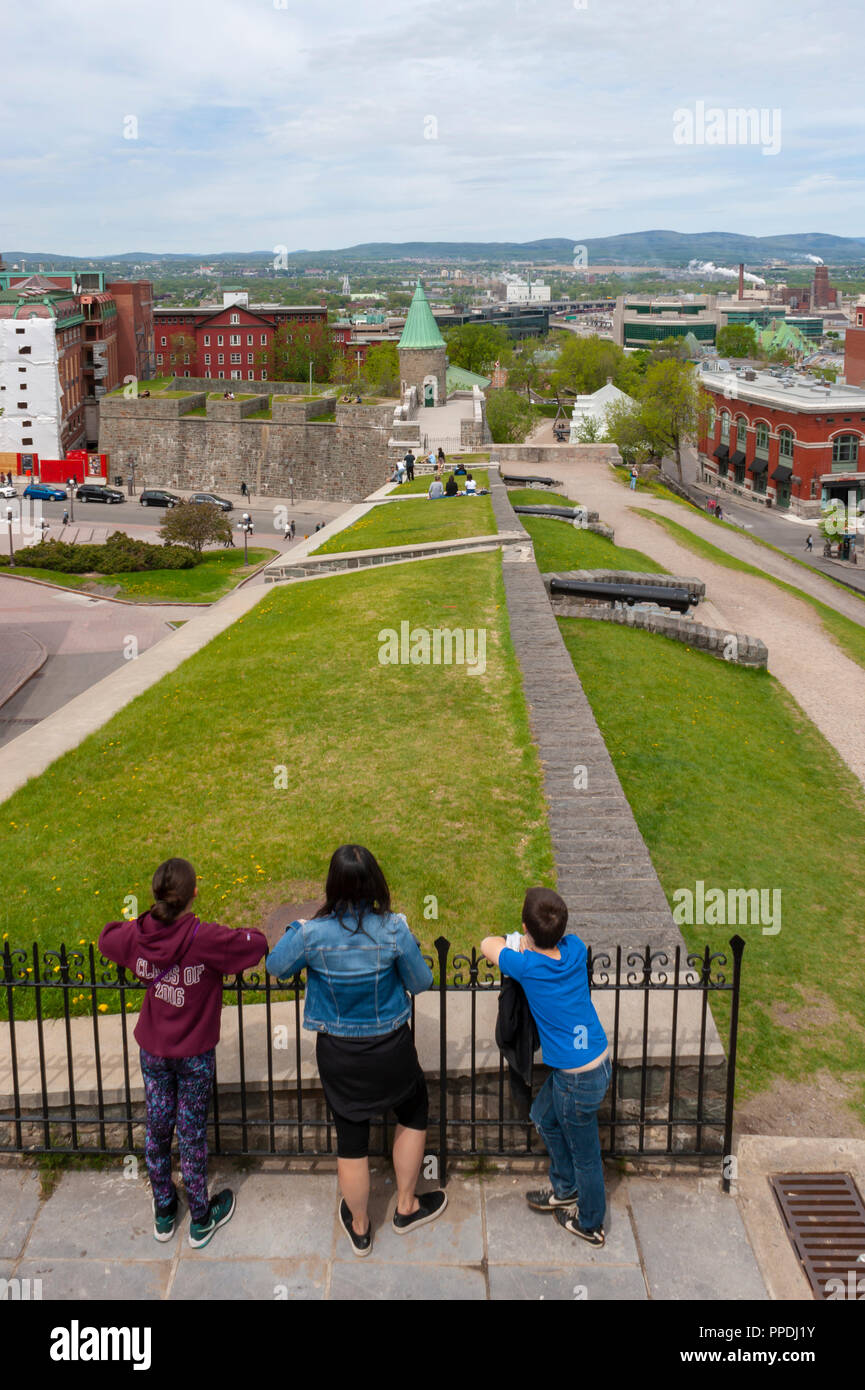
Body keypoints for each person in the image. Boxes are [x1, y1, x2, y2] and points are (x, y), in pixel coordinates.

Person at [266, 845, 446, 1257]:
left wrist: (297, 926)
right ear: (376, 882)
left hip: (340, 1054)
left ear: (333, 885)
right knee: (413, 1111)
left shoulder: (312, 935)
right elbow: (420, 983)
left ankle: (361, 1227)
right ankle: (406, 1206)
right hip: (391, 1049)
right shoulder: (393, 929)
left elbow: (276, 966)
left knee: (351, 1138)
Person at [98, 858, 267, 1248]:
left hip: (154, 1051)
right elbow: (255, 944)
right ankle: (201, 1217)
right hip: (193, 1055)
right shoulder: (204, 938)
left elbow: (108, 936)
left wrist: (142, 925)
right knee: (190, 1133)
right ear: (194, 893)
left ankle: (164, 1209)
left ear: (156, 895)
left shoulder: (137, 936)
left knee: (157, 1128)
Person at [481, 887, 611, 1247]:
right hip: (596, 1061)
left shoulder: (527, 966)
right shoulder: (575, 949)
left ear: (526, 926)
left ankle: (590, 1224)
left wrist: (517, 941)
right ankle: (565, 1188)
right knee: (542, 1115)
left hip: (576, 1078)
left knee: (587, 1157)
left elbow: (486, 944)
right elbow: (556, 944)